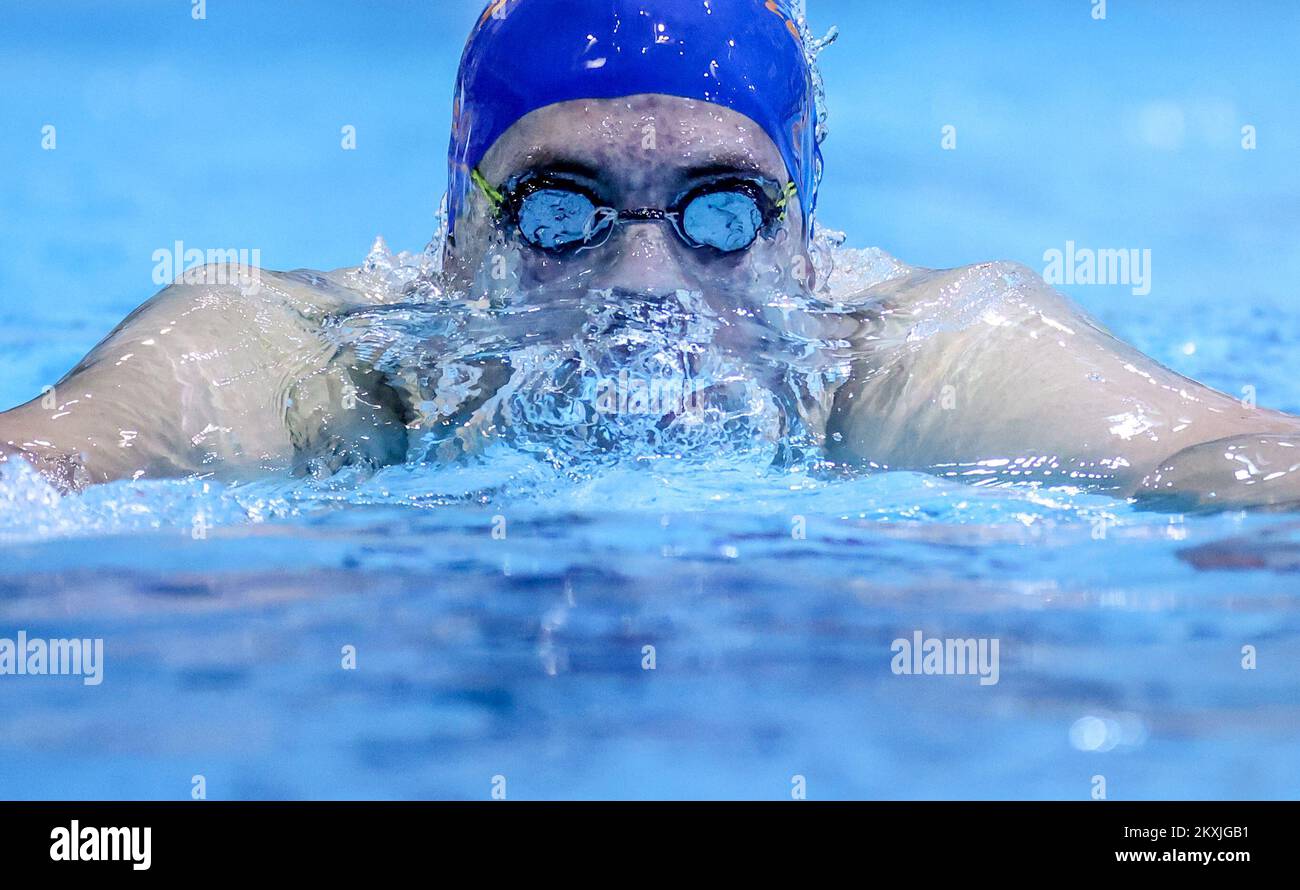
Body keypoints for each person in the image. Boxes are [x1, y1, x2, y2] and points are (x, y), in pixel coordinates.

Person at [2, 0, 1299, 510]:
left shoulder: (924, 355)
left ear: (806, 242)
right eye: (559, 208)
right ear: (458, 239)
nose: (641, 288)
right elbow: (49, 461)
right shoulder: (313, 355)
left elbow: (1221, 462)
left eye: (720, 211)